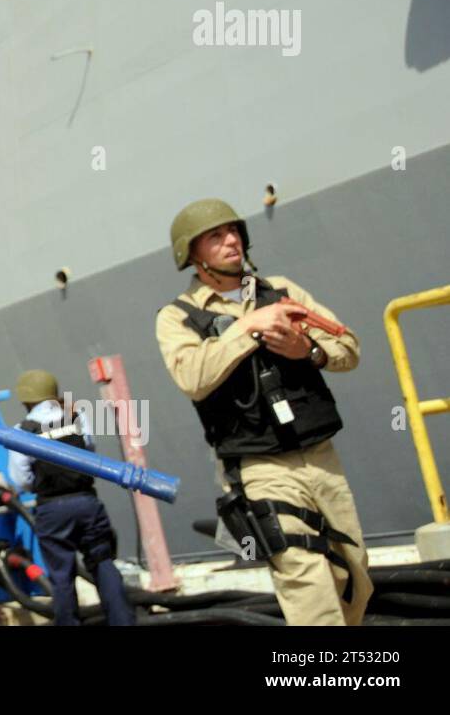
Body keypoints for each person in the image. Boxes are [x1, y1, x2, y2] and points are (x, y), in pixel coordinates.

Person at [155, 198, 371, 626]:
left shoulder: (284, 291)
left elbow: (348, 349)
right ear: (193, 255)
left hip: (320, 455)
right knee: (306, 582)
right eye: (215, 236)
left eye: (233, 231)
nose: (230, 240)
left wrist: (306, 350)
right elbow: (192, 378)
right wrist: (248, 328)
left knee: (355, 578)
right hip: (259, 467)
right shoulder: (176, 317)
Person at [7, 369, 135, 626]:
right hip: (87, 502)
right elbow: (89, 451)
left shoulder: (22, 430)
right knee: (102, 562)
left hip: (52, 509)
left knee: (61, 576)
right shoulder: (77, 417)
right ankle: (122, 621)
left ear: (25, 400)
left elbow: (21, 480)